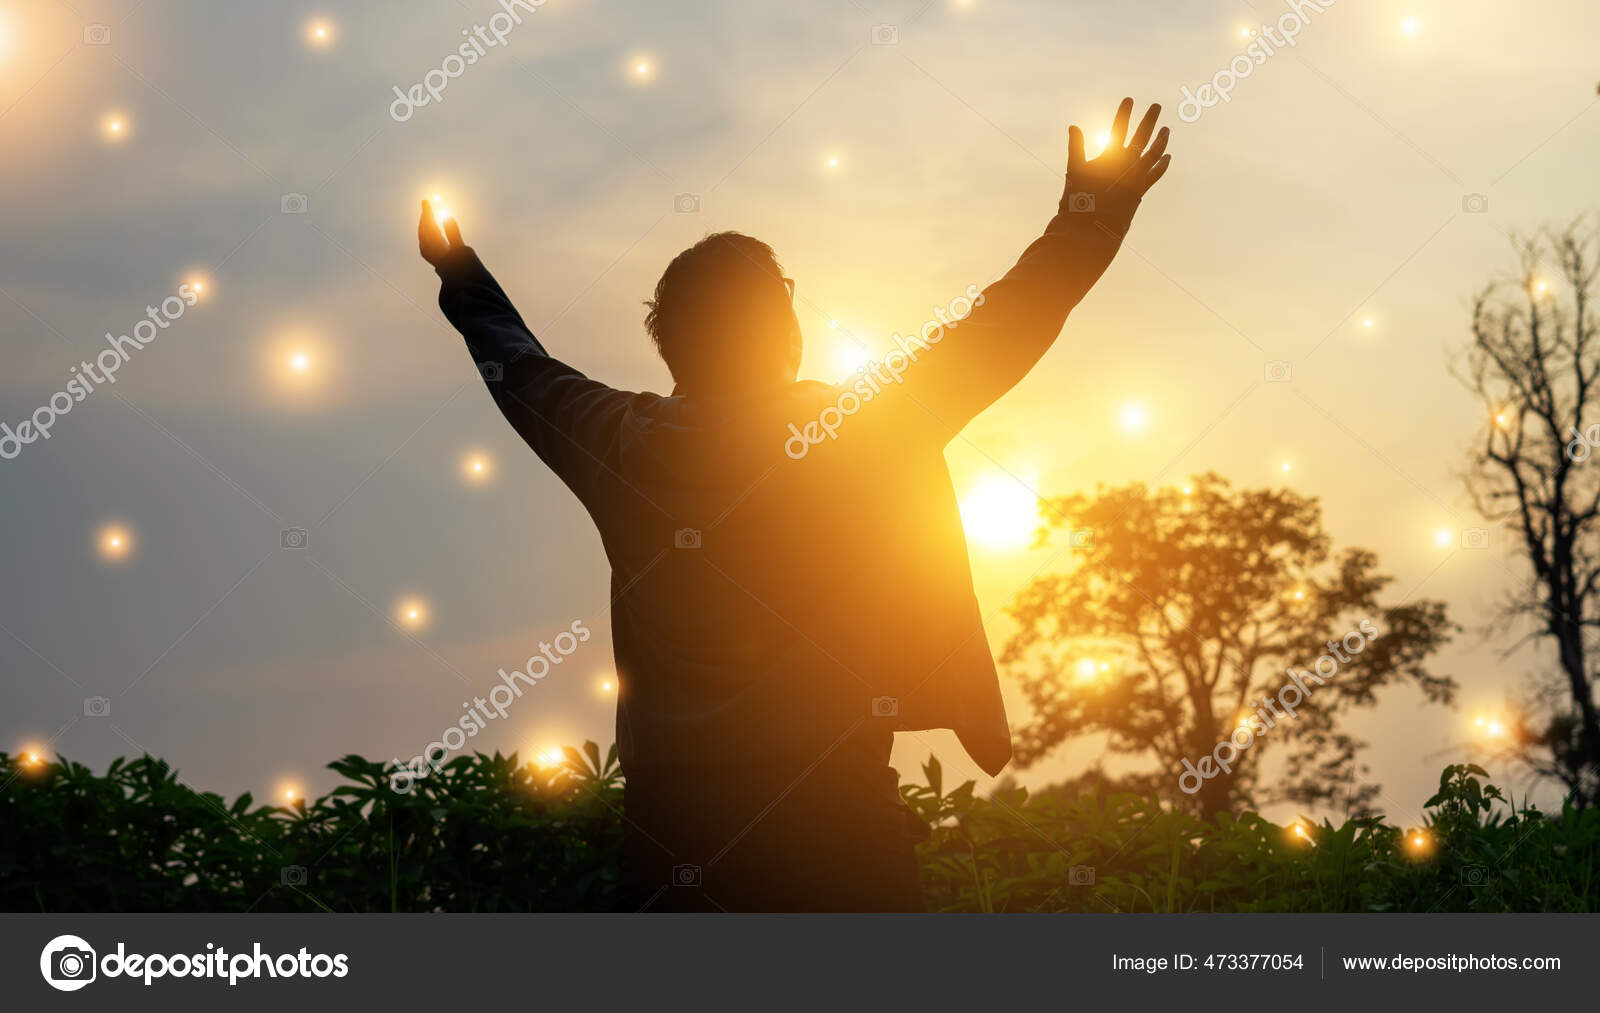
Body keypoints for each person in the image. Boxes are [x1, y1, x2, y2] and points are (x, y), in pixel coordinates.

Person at [417, 98, 1172, 911]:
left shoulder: (618, 442)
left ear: (671, 344)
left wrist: (460, 273)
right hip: (838, 829)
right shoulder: (859, 429)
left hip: (673, 840)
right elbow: (1007, 321)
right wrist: (1091, 215)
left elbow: (518, 366)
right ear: (785, 333)